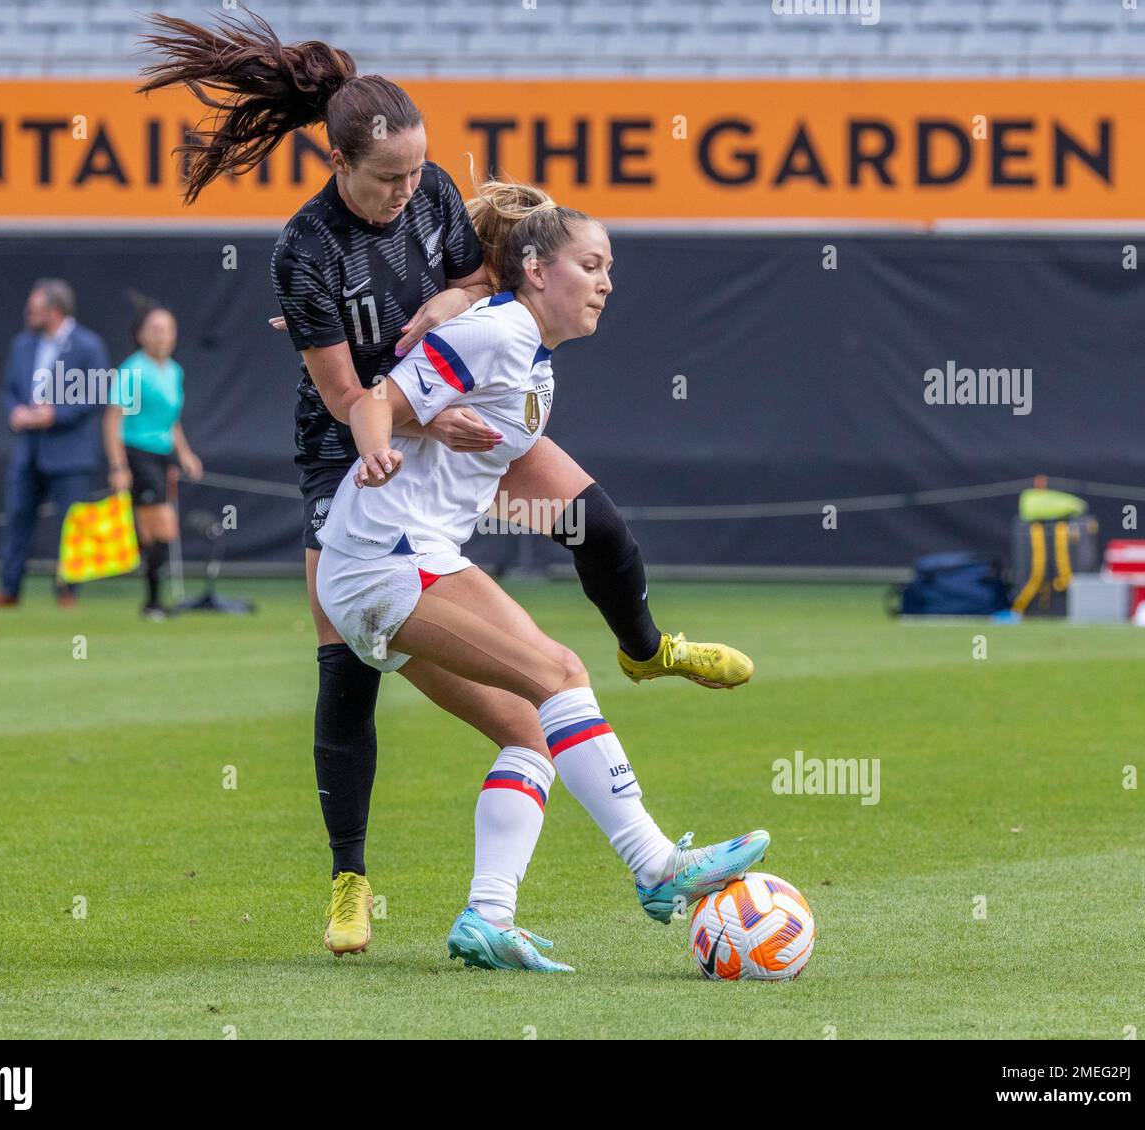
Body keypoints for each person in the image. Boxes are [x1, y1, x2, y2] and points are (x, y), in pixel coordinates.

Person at [137, 9, 753, 958]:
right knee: (403, 672)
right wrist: (410, 424)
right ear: (340, 164)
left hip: (425, 485)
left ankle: (490, 915)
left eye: (419, 172)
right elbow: (356, 398)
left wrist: (447, 307)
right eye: (389, 177)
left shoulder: (468, 270)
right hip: (360, 470)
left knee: (550, 670)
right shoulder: (311, 251)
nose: (411, 191)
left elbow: (473, 283)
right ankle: (366, 875)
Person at [318, 203, 769, 970]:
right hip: (383, 557)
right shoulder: (495, 334)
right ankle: (656, 862)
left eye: (609, 269)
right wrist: (378, 452)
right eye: (590, 266)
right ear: (534, 270)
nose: (606, 283)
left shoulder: (533, 361)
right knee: (560, 673)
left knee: (532, 732)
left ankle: (487, 918)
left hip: (400, 561)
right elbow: (374, 403)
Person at [0, 279, 109, 609]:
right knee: (17, 519)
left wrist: (55, 414)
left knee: (72, 526)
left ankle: (68, 591)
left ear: (55, 310)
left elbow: (98, 395)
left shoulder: (88, 345)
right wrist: (16, 412)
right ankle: (9, 589)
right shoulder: (22, 344)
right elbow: (10, 391)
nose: (28, 313)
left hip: (70, 453)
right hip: (28, 451)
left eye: (34, 308)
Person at [103, 296, 204, 619]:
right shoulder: (132, 370)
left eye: (168, 329)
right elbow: (113, 420)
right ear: (141, 334)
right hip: (137, 453)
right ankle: (152, 602)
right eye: (156, 329)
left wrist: (184, 454)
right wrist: (118, 466)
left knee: (150, 533)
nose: (163, 336)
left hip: (163, 455)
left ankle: (152, 603)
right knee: (164, 528)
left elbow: (171, 419)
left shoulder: (174, 371)